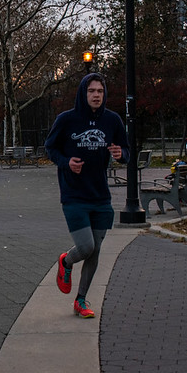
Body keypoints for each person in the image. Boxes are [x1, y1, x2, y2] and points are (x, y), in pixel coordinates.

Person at [44, 73, 129, 319]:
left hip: (100, 196)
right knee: (86, 246)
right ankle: (67, 262)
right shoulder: (67, 120)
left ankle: (81, 301)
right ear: (83, 93)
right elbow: (50, 148)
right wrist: (66, 162)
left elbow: (127, 151)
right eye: (91, 91)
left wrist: (119, 153)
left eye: (100, 91)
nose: (96, 95)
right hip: (73, 195)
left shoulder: (112, 120)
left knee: (96, 251)